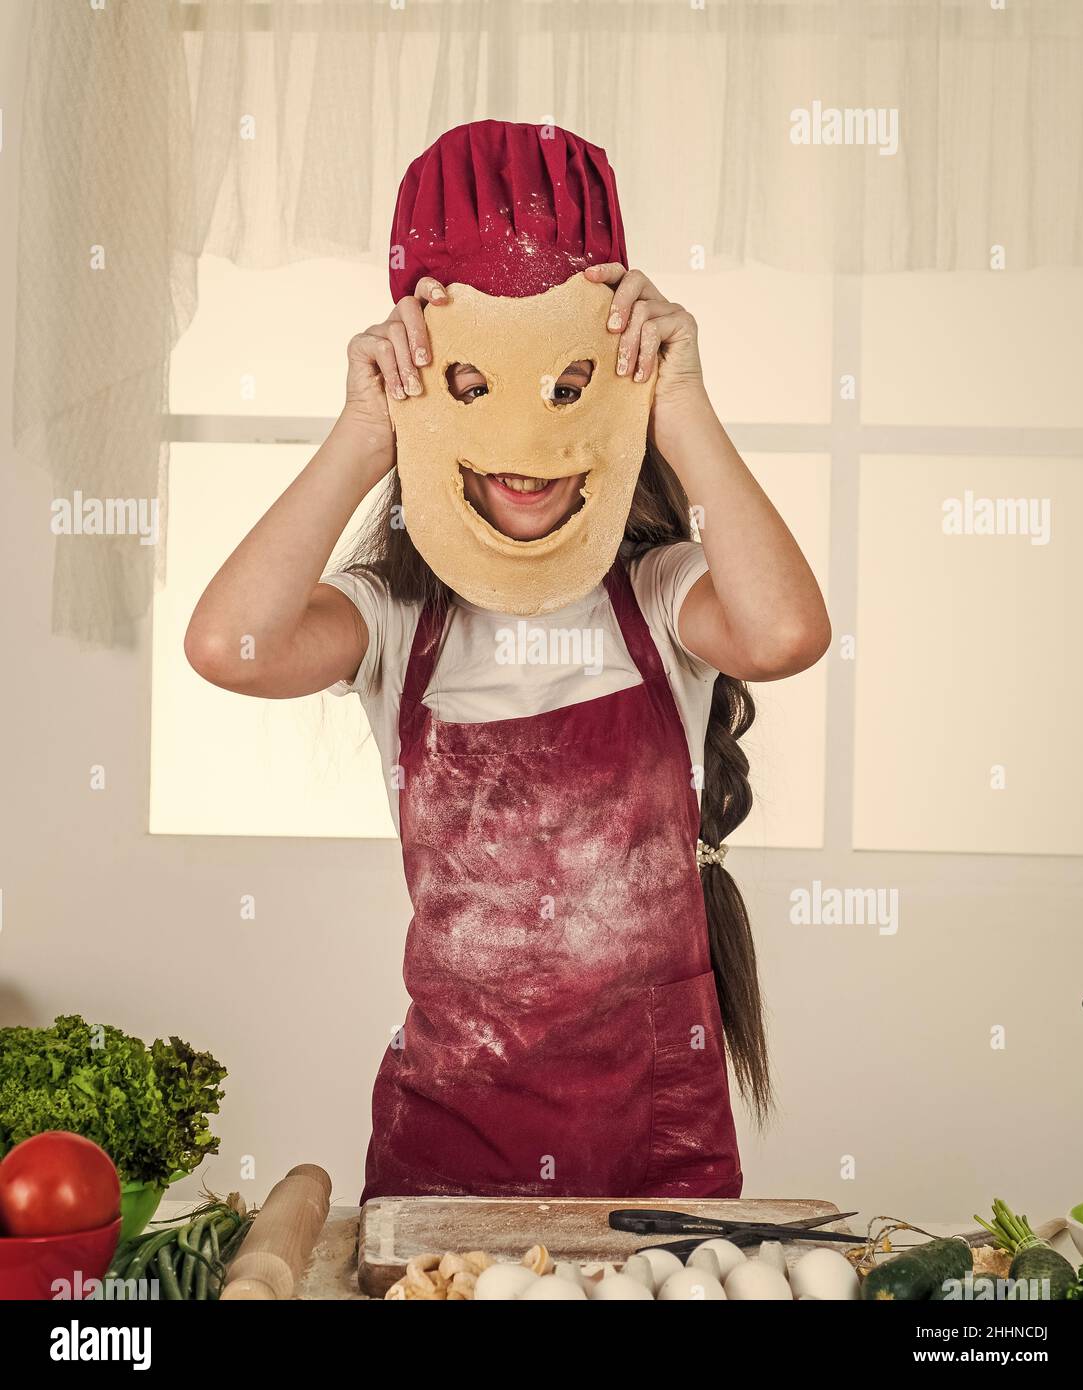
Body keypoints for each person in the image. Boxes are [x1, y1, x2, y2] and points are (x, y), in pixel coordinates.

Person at [185, 120, 831, 1202]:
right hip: (448, 1151)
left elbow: (784, 634)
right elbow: (226, 645)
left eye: (571, 385)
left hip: (657, 1152)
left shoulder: (660, 592)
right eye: (475, 387)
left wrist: (681, 400)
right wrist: (359, 430)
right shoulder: (394, 615)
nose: (525, 448)